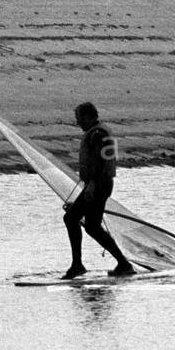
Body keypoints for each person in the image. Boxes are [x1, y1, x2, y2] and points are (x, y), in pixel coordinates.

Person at [63, 102, 135, 279]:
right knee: (91, 226)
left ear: (88, 116)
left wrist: (92, 185)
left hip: (99, 185)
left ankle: (78, 265)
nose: (78, 123)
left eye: (79, 119)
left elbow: (101, 162)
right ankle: (123, 264)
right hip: (101, 184)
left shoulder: (97, 134)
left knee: (72, 218)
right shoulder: (102, 131)